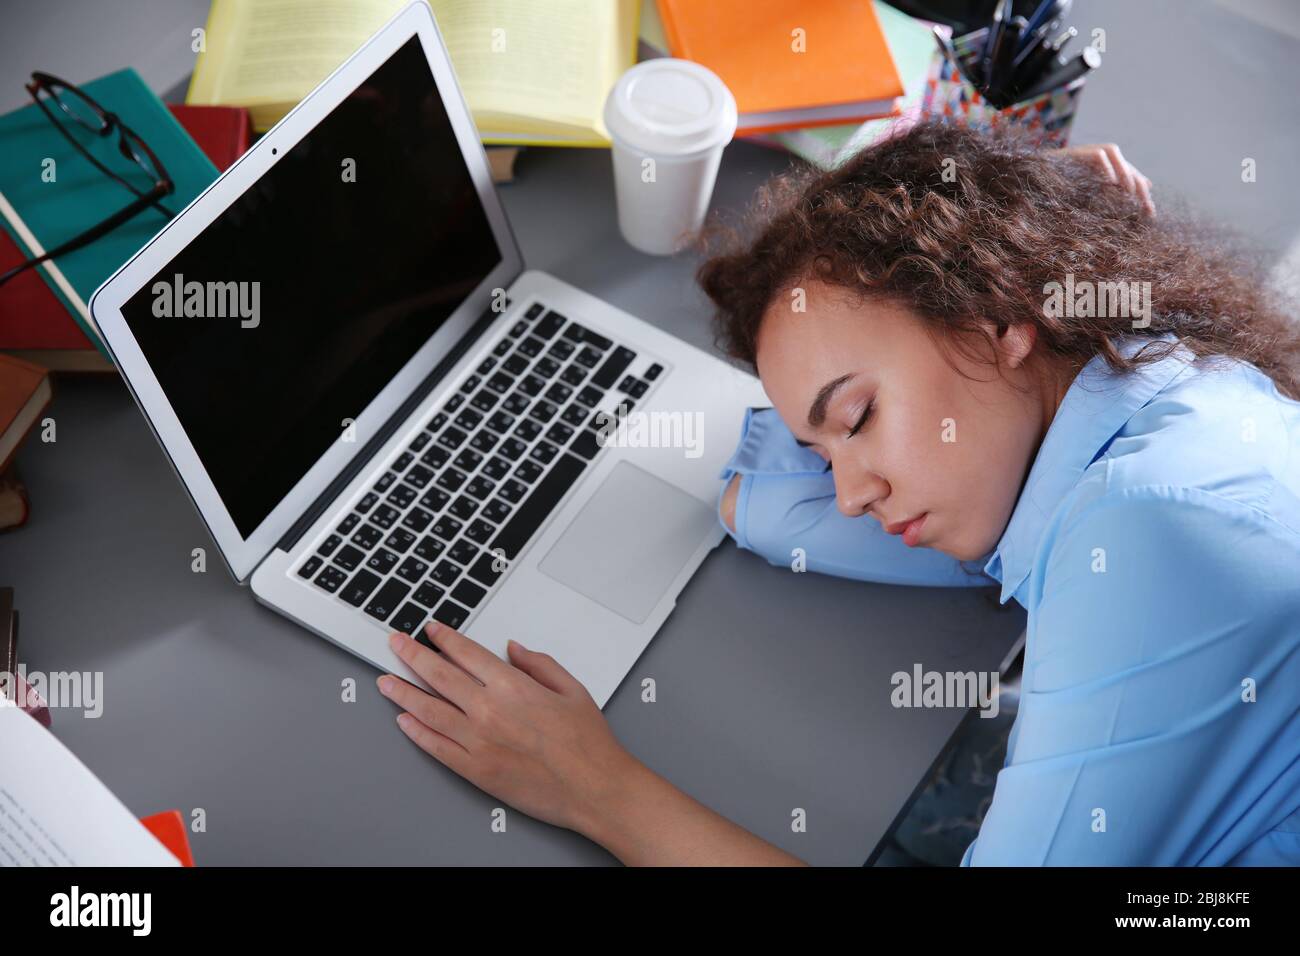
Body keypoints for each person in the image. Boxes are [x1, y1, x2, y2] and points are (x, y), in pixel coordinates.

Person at [376, 121, 1300, 865]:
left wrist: (595, 789)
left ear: (996, 315)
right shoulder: (1105, 382)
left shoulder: (1154, 532)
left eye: (857, 418)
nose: (849, 497)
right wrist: (1005, 225)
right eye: (824, 452)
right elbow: (760, 508)